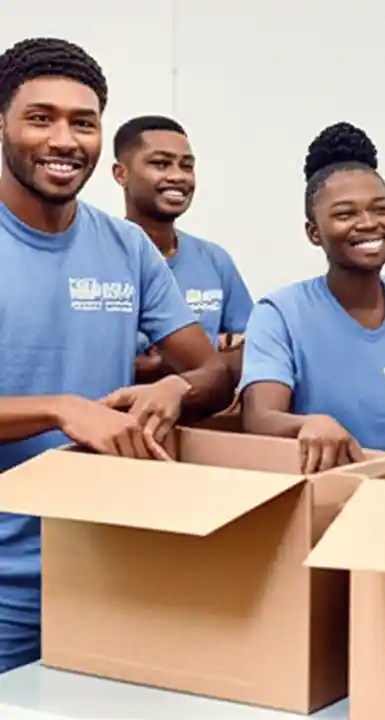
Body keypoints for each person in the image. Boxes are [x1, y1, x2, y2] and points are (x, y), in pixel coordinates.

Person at [0, 37, 235, 674]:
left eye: (83, 123)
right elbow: (64, 411)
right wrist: (58, 408)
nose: (64, 140)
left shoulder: (127, 247)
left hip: (108, 565)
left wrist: (176, 389)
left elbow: (212, 373)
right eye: (40, 118)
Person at [238, 122, 385, 470]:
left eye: (381, 209)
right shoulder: (279, 314)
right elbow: (259, 418)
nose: (368, 223)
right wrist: (308, 424)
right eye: (345, 214)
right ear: (314, 232)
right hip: (313, 495)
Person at [111, 114, 254, 384]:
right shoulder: (98, 255)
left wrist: (193, 365)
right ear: (121, 174)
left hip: (198, 407)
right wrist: (212, 349)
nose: (177, 176)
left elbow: (252, 348)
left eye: (187, 166)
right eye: (160, 164)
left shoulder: (214, 260)